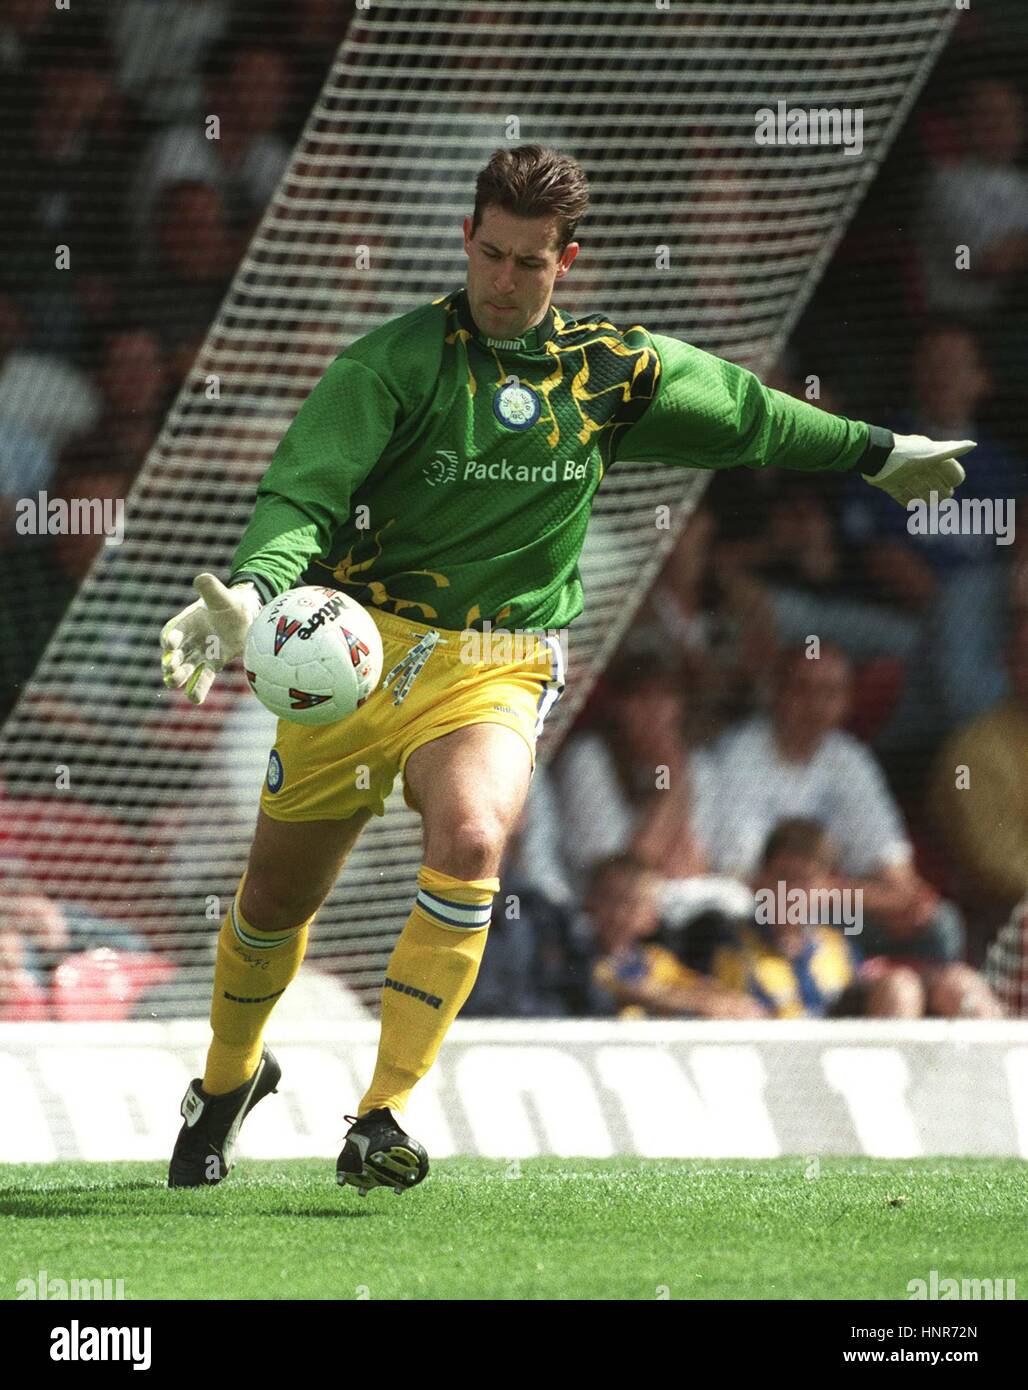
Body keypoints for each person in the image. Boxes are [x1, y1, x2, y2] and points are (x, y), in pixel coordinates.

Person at [158, 143, 976, 1196]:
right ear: (465, 240)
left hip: (493, 662)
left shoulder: (608, 371)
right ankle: (226, 1082)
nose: (503, 281)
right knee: (273, 903)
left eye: (528, 262)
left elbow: (747, 414)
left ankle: (381, 1111)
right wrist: (259, 593)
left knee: (472, 834)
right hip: (354, 658)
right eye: (490, 255)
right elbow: (297, 500)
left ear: (566, 260)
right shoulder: (389, 365)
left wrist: (872, 449)